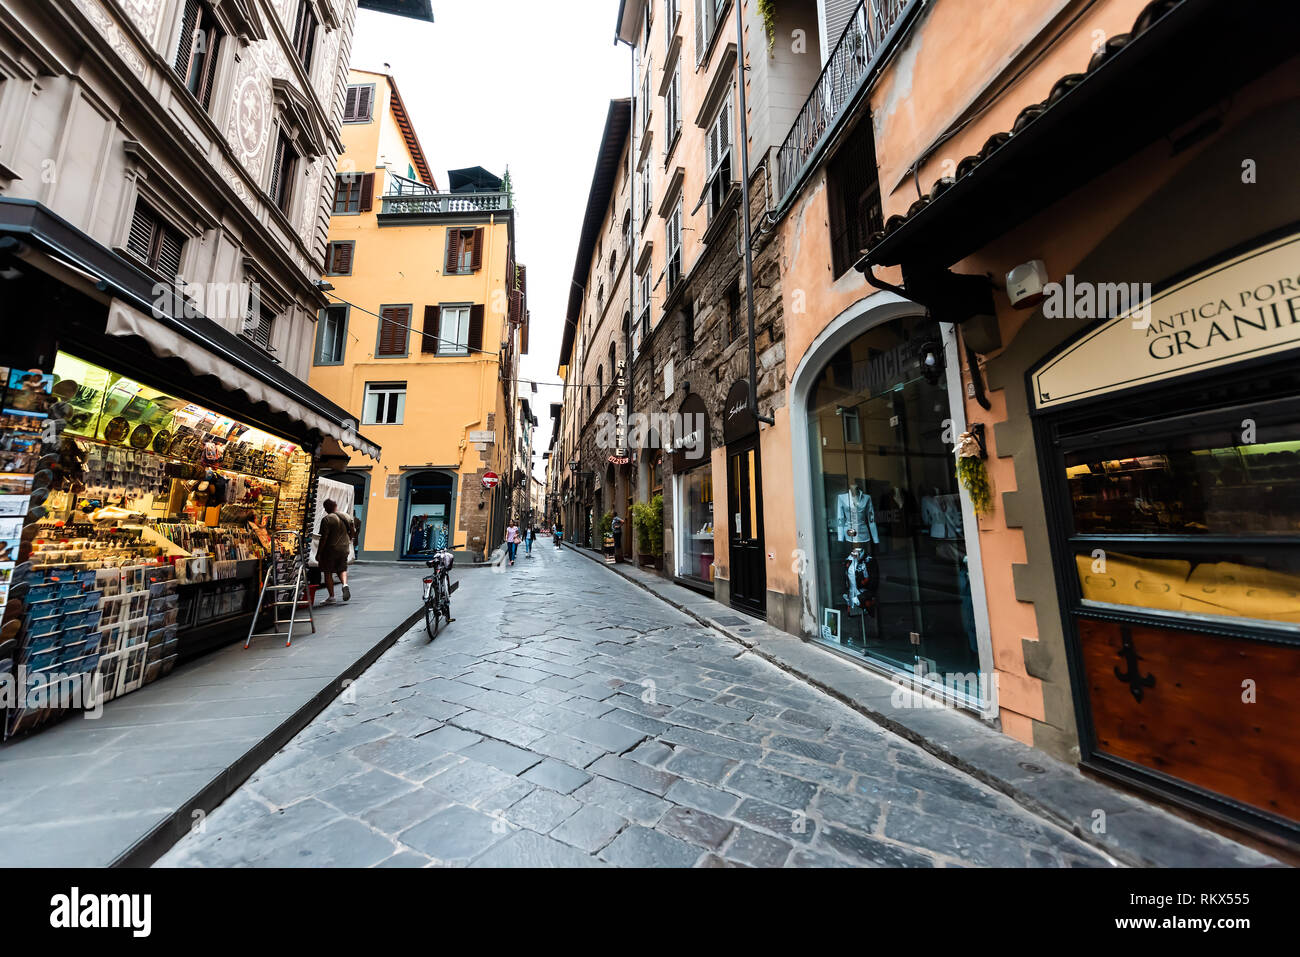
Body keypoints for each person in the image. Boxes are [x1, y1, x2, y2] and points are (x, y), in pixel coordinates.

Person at [317, 499, 355, 605]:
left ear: (325, 508)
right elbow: (353, 531)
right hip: (344, 548)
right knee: (342, 568)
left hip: (331, 549)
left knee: (328, 572)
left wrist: (319, 553)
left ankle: (331, 597)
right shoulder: (346, 516)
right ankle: (345, 585)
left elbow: (324, 537)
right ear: (336, 506)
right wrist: (349, 539)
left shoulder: (327, 519)